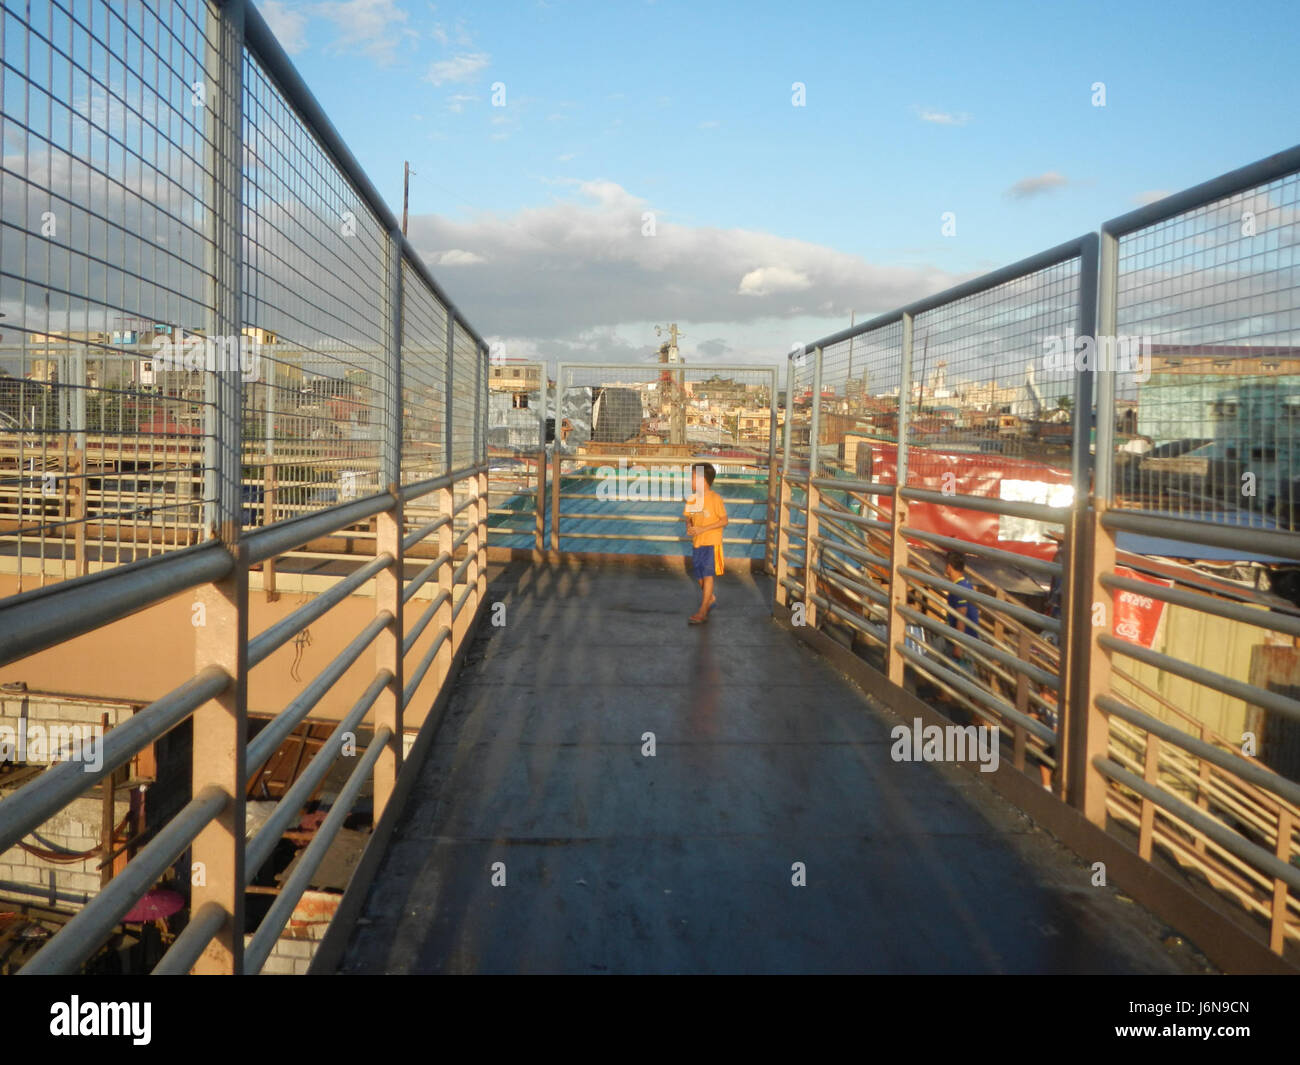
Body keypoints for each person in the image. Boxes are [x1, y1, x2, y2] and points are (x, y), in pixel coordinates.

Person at [683, 462, 728, 625]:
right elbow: (688, 516)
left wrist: (703, 529)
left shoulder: (716, 499)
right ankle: (710, 598)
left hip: (712, 542)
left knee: (708, 575)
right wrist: (689, 526)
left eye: (694, 477)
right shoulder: (692, 498)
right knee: (699, 575)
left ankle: (702, 611)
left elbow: (724, 520)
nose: (691, 481)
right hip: (697, 542)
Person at [942, 551, 980, 674]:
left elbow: (961, 615)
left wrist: (958, 645)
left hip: (964, 640)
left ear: (949, 566)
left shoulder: (959, 587)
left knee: (960, 678)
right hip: (965, 638)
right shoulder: (965, 584)